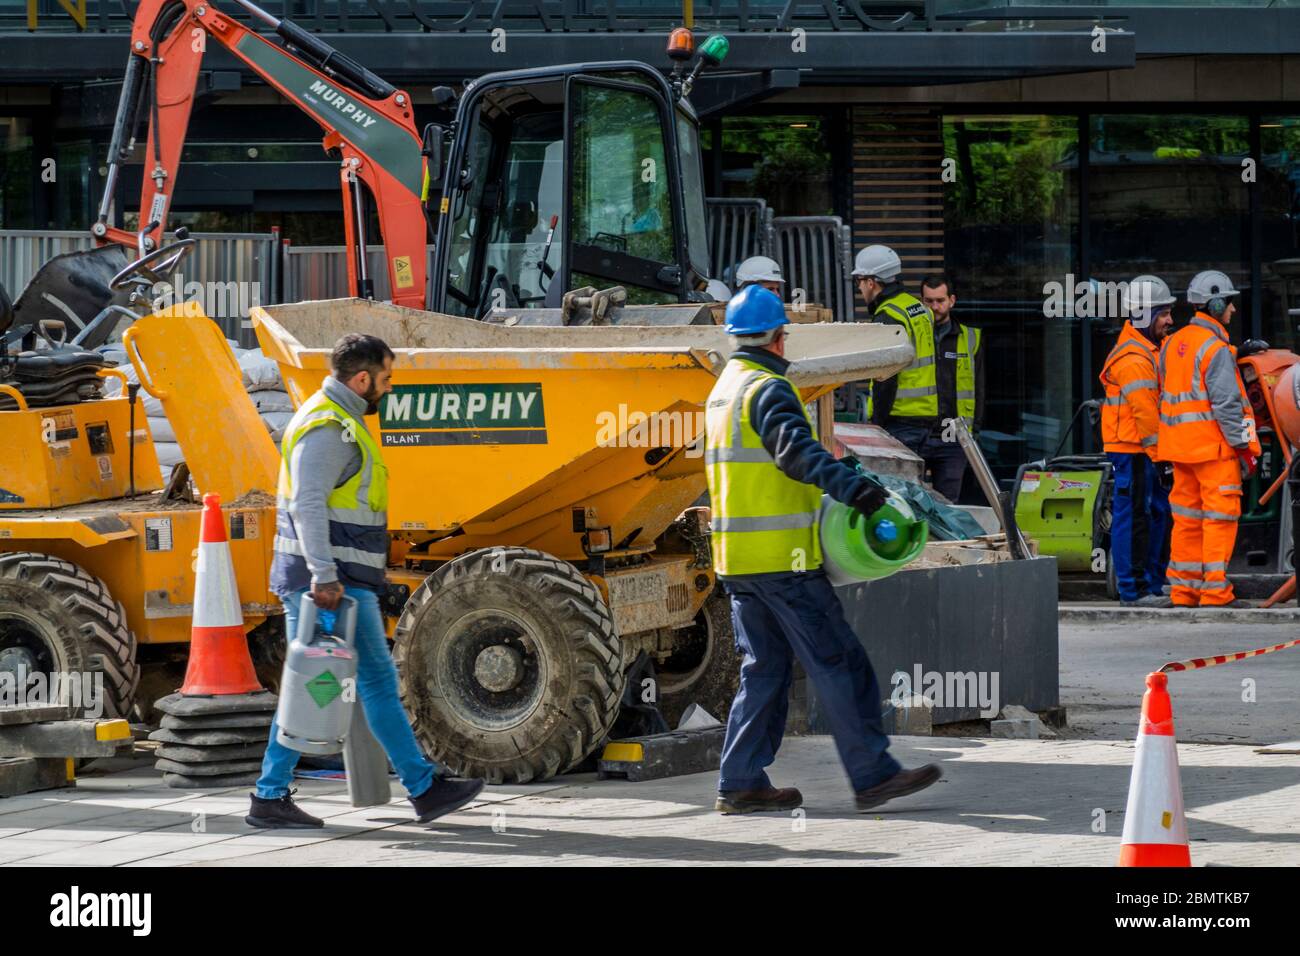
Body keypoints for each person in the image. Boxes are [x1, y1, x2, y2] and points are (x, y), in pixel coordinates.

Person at [704, 284, 943, 815]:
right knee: (839, 661)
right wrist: (858, 490)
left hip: (738, 563)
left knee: (763, 670)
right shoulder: (766, 389)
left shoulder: (722, 391)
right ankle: (874, 773)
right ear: (779, 338)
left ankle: (740, 779)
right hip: (782, 561)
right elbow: (795, 454)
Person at [248, 333, 485, 828]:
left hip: (341, 580)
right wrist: (324, 575)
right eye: (386, 378)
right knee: (321, 686)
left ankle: (420, 788)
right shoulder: (329, 430)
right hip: (328, 583)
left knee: (349, 683)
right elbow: (307, 504)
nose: (389, 388)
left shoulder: (339, 421)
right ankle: (276, 795)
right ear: (362, 379)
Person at [1157, 271, 1260, 608]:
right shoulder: (1215, 349)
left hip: (1179, 449)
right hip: (1214, 450)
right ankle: (1215, 592)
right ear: (1216, 305)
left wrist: (1236, 352)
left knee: (1186, 522)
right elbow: (1229, 405)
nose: (1233, 311)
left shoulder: (1171, 343)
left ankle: (1184, 592)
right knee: (1219, 519)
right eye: (1229, 304)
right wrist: (1244, 446)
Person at [857, 248, 981, 502]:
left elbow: (886, 377)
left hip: (900, 420)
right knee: (927, 500)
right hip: (927, 418)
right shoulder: (917, 309)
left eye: (859, 282)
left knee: (900, 499)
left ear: (871, 282)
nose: (860, 288)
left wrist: (877, 423)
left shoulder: (889, 315)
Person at [1101, 276, 1176, 607]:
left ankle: (1153, 584)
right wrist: (1161, 456)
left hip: (1142, 450)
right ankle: (1135, 591)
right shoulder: (1134, 357)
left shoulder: (1147, 350)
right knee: (1135, 517)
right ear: (1145, 315)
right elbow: (1145, 414)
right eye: (1163, 313)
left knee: (1152, 514)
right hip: (1135, 450)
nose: (1170, 320)